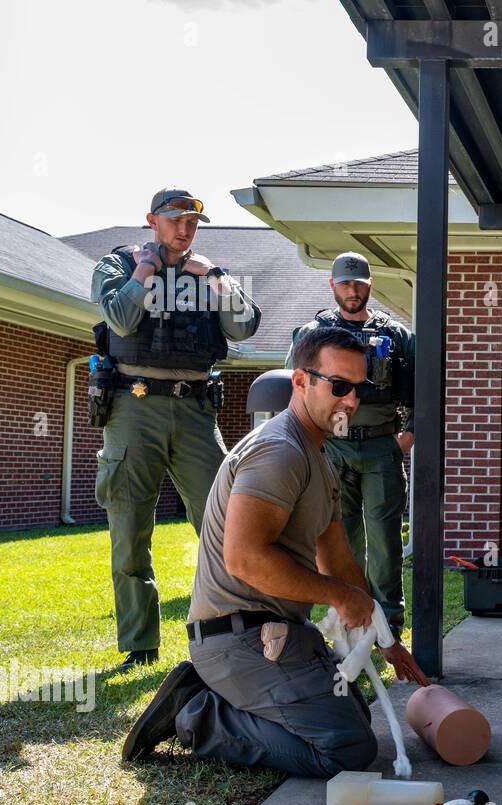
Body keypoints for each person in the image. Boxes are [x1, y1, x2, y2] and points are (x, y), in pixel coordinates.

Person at [121, 326, 429, 774]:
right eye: (338, 386)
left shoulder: (317, 456)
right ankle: (199, 713)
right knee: (347, 750)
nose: (351, 400)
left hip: (276, 630)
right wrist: (341, 597)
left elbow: (339, 561)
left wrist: (386, 640)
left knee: (353, 715)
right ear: (300, 381)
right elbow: (244, 559)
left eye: (359, 388)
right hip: (239, 638)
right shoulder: (279, 451)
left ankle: (223, 695)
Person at [89, 188, 261, 670]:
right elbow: (121, 321)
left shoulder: (208, 273)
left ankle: (231, 633)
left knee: (223, 523)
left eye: (192, 221)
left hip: (194, 412)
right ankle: (140, 645)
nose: (184, 228)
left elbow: (245, 328)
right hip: (132, 407)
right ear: (152, 220)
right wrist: (145, 269)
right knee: (129, 528)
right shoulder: (117, 266)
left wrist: (214, 276)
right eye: (174, 219)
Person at [287, 252, 415, 637]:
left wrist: (408, 436)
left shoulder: (395, 334)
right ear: (332, 285)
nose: (352, 290)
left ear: (370, 285)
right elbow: (297, 385)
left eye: (359, 283)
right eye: (344, 283)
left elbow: (420, 390)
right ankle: (349, 617)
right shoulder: (313, 332)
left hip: (380, 446)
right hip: (333, 447)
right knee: (337, 539)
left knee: (385, 539)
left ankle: (388, 621)